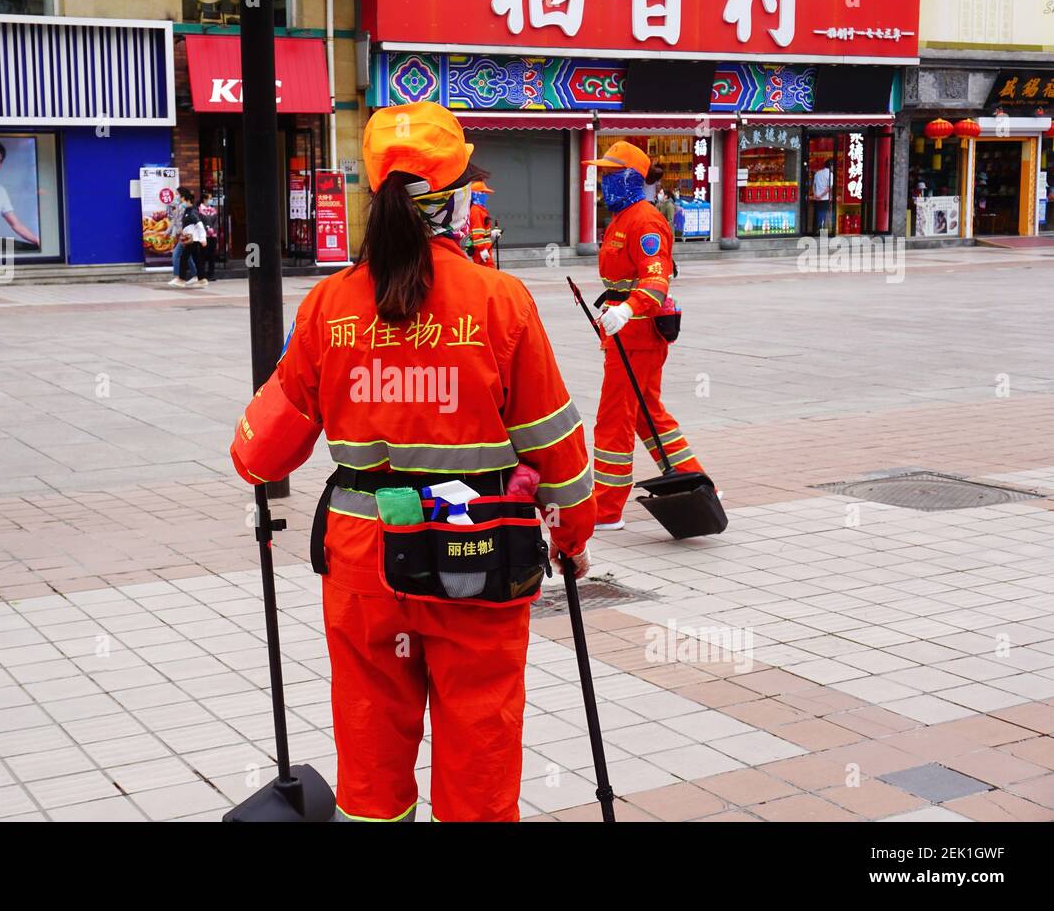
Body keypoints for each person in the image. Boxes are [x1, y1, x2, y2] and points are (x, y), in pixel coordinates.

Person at [230, 101, 595, 823]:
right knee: (479, 740)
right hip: (480, 552)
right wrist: (574, 537)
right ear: (458, 199)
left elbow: (259, 453)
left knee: (370, 750)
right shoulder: (500, 302)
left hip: (365, 561)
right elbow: (554, 444)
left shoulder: (329, 306)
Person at [582, 141, 709, 530]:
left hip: (638, 336)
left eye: (610, 174)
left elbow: (656, 280)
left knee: (614, 419)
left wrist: (626, 309)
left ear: (631, 179)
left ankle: (606, 509)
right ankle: (697, 481)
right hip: (624, 334)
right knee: (645, 414)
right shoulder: (622, 218)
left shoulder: (645, 221)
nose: (604, 182)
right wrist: (615, 308)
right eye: (601, 174)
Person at [167, 188, 203, 289]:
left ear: (182, 196)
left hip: (187, 236)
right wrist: (170, 234)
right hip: (184, 236)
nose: (176, 196)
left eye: (177, 194)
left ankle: (178, 277)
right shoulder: (179, 206)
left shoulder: (186, 208)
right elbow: (174, 221)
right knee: (189, 257)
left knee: (176, 255)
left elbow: (182, 222)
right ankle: (197, 276)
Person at [466, 180, 497, 268]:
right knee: (489, 272)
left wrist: (492, 233)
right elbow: (477, 233)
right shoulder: (476, 210)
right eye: (483, 192)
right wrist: (482, 249)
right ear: (476, 194)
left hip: (484, 247)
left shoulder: (479, 209)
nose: (485, 195)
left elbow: (481, 231)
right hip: (482, 249)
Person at [197, 189, 220, 281]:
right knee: (203, 255)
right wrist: (207, 229)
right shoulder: (199, 210)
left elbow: (216, 222)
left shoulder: (213, 209)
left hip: (213, 236)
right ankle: (202, 275)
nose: (211, 200)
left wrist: (213, 229)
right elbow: (199, 222)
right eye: (210, 198)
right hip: (204, 236)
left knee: (212, 255)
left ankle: (212, 274)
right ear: (204, 199)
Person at [812, 157, 835, 233]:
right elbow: (829, 188)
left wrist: (815, 195)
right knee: (823, 216)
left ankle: (815, 232)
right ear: (831, 165)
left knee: (816, 215)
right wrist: (821, 196)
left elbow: (813, 186)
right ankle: (821, 233)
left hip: (816, 198)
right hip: (824, 198)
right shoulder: (830, 174)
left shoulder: (817, 173)